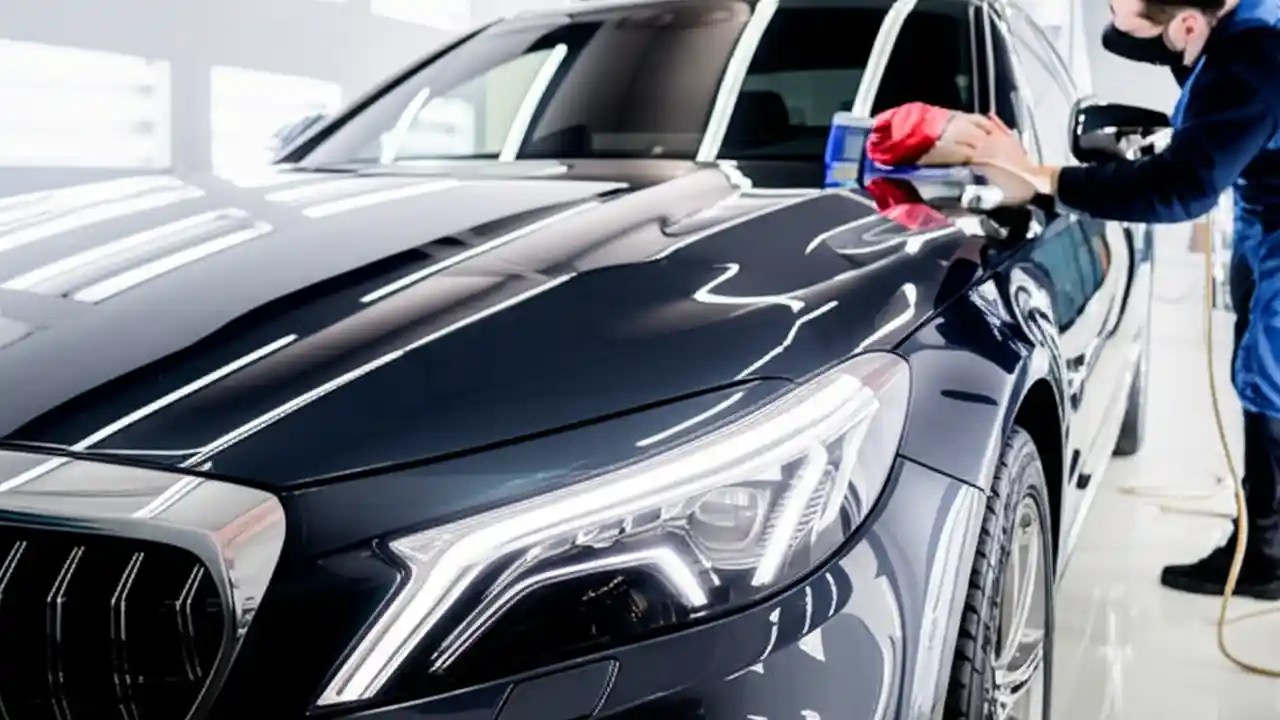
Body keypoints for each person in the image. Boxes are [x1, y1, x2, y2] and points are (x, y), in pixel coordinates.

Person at [974, 0, 1280, 599]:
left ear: (1190, 25)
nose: (1116, 27)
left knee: (1267, 381)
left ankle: (1266, 555)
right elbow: (1141, 51)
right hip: (1264, 216)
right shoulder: (1236, 26)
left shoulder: (1251, 58)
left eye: (1130, 16)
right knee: (1262, 373)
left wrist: (1044, 178)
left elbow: (1181, 187)